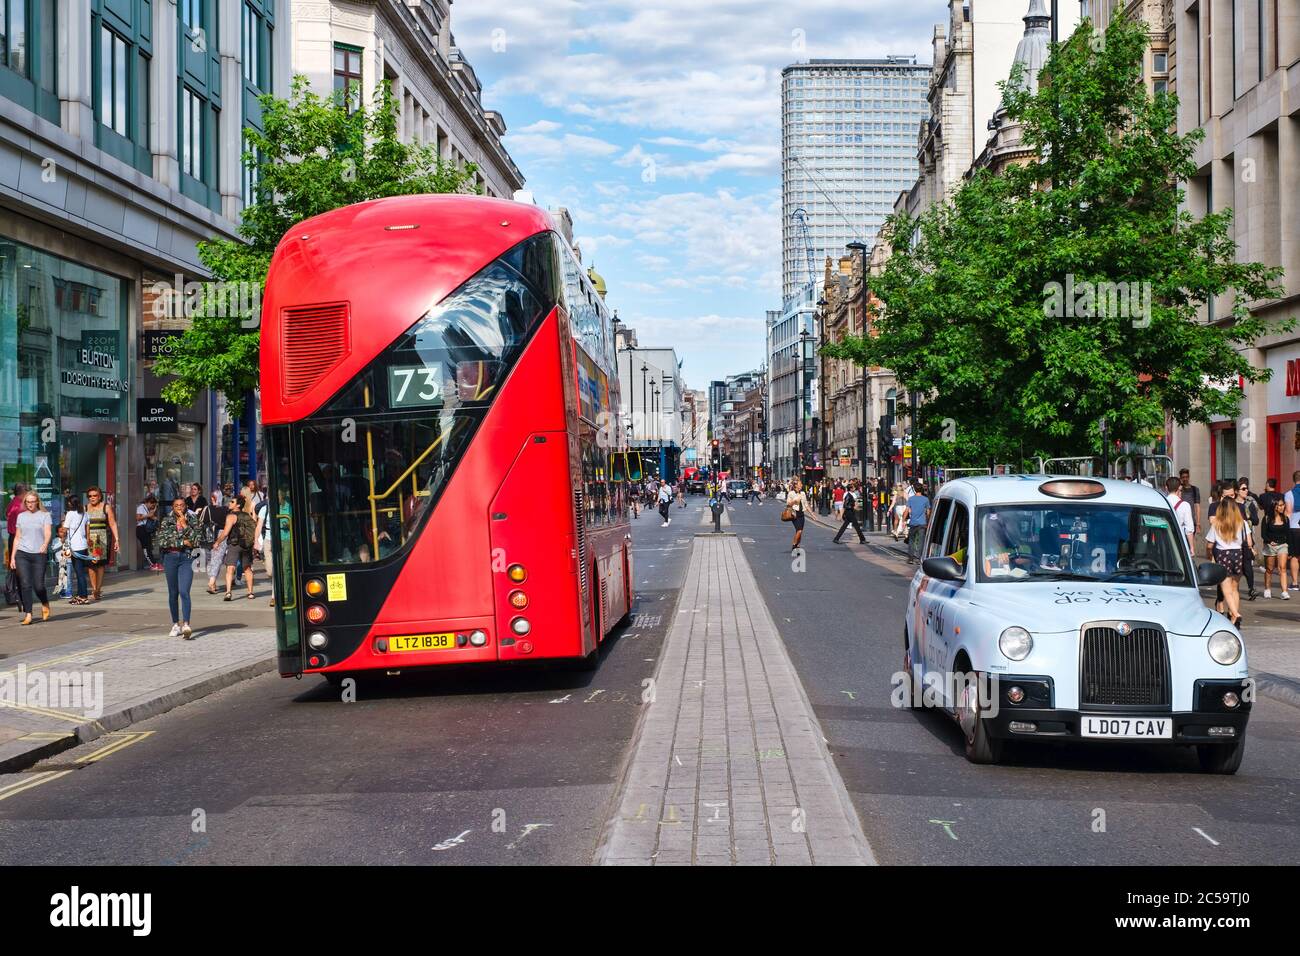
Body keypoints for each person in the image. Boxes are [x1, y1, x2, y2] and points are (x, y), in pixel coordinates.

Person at [155, 497, 196, 638]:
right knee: (173, 593)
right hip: (170, 558)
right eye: (176, 505)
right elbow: (162, 541)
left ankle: (186, 624)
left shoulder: (192, 520)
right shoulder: (167, 520)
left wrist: (185, 525)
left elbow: (196, 540)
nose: (179, 507)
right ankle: (175, 624)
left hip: (187, 558)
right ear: (173, 507)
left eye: (182, 505)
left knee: (184, 591)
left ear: (185, 506)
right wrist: (184, 541)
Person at [10, 490, 52, 625]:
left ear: (37, 502)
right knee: (25, 584)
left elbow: (48, 532)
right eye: (28, 502)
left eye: (33, 502)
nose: (30, 504)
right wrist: (12, 557)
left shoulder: (45, 515)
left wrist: (45, 544)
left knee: (38, 586)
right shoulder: (21, 516)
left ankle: (44, 602)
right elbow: (17, 537)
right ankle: (28, 614)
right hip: (22, 554)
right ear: (25, 503)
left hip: (39, 554)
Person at [1206, 495, 1248, 627]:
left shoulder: (1217, 523)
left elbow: (1209, 545)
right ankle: (1234, 619)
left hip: (1223, 555)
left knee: (1226, 589)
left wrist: (1209, 555)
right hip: (1238, 555)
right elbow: (1249, 541)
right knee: (1235, 589)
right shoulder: (1242, 523)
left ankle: (1235, 613)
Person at [216, 494, 257, 600]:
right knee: (247, 568)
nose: (229, 503)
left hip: (235, 544)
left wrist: (217, 542)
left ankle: (228, 592)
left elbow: (225, 533)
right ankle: (250, 592)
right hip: (247, 545)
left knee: (230, 568)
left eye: (232, 502)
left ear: (238, 505)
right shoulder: (247, 515)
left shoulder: (231, 516)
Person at [83, 486, 118, 601]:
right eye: (90, 496)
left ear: (99, 496)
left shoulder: (106, 507)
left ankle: (98, 589)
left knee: (100, 564)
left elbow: (112, 523)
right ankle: (94, 590)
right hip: (89, 540)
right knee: (91, 565)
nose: (92, 498)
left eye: (95, 496)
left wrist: (117, 539)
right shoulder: (84, 508)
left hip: (102, 539)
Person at [60, 495, 91, 605]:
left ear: (70, 503)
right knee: (80, 571)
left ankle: (83, 597)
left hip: (74, 546)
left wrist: (62, 539)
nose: (67, 504)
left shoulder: (70, 514)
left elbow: (65, 530)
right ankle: (79, 595)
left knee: (79, 572)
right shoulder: (85, 513)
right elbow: (88, 532)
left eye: (68, 502)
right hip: (83, 545)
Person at [1234, 477, 1260, 600]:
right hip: (1233, 539)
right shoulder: (1232, 504)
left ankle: (1251, 589)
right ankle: (1234, 589)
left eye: (1247, 488)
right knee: (1237, 565)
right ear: (1237, 491)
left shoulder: (1249, 504)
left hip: (1247, 537)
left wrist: (1248, 517)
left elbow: (1256, 521)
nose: (1246, 491)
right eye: (1243, 489)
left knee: (1247, 564)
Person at [1261, 495, 1290, 600]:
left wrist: (1289, 548)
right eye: (1280, 505)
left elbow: (1288, 534)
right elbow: (1263, 534)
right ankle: (1267, 589)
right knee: (1269, 569)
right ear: (1275, 506)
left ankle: (1284, 592)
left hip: (1282, 545)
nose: (1282, 507)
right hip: (1270, 546)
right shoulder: (1267, 518)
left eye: (1283, 505)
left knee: (1282, 568)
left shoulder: (1286, 518)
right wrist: (1269, 541)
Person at [200, 490, 228, 594]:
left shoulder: (206, 509)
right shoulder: (226, 510)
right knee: (217, 559)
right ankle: (212, 582)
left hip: (207, 535)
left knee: (209, 560)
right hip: (222, 534)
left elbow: (201, 522)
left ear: (212, 498)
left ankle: (212, 582)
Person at [1164, 476, 1196, 555]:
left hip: (1162, 540)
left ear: (1166, 488)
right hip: (1178, 540)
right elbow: (1189, 529)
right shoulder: (1184, 505)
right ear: (1179, 488)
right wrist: (1191, 547)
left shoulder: (1162, 502)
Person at [903, 483, 931, 565]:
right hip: (922, 523)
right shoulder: (925, 499)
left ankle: (910, 558)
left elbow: (906, 510)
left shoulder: (911, 499)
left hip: (913, 523)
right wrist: (928, 521)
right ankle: (919, 558)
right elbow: (928, 512)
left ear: (914, 490)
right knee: (921, 541)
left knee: (911, 540)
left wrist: (903, 521)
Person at [833, 480, 866, 545]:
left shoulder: (848, 494)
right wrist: (854, 507)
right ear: (850, 488)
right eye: (853, 487)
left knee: (845, 526)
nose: (854, 488)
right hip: (849, 512)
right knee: (856, 525)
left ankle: (836, 539)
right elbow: (847, 504)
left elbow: (846, 504)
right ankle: (862, 539)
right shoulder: (850, 495)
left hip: (849, 512)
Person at [136, 494, 161, 570]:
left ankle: (153, 563)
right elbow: (137, 518)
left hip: (146, 529)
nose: (152, 507)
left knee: (149, 547)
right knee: (146, 547)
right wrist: (148, 515)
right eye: (152, 505)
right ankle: (152, 564)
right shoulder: (141, 507)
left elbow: (153, 517)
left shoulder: (147, 509)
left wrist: (153, 513)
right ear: (148, 502)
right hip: (141, 529)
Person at [785, 476, 809, 554]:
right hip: (795, 514)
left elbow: (806, 504)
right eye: (800, 484)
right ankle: (794, 546)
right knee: (799, 531)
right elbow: (788, 504)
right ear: (796, 485)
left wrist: (813, 515)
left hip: (801, 514)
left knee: (800, 532)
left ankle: (798, 546)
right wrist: (794, 501)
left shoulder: (803, 493)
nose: (801, 485)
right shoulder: (791, 493)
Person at [1285, 470, 1300, 593]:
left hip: (1294, 527)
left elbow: (1288, 512)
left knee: (1295, 556)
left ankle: (1295, 583)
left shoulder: (1289, 494)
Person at [1178, 468, 1202, 536]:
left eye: (1187, 477)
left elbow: (1197, 506)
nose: (1185, 479)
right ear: (1180, 478)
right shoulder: (1178, 490)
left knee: (1189, 543)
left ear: (1189, 477)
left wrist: (1198, 522)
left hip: (1191, 521)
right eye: (1183, 477)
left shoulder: (1195, 489)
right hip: (1180, 521)